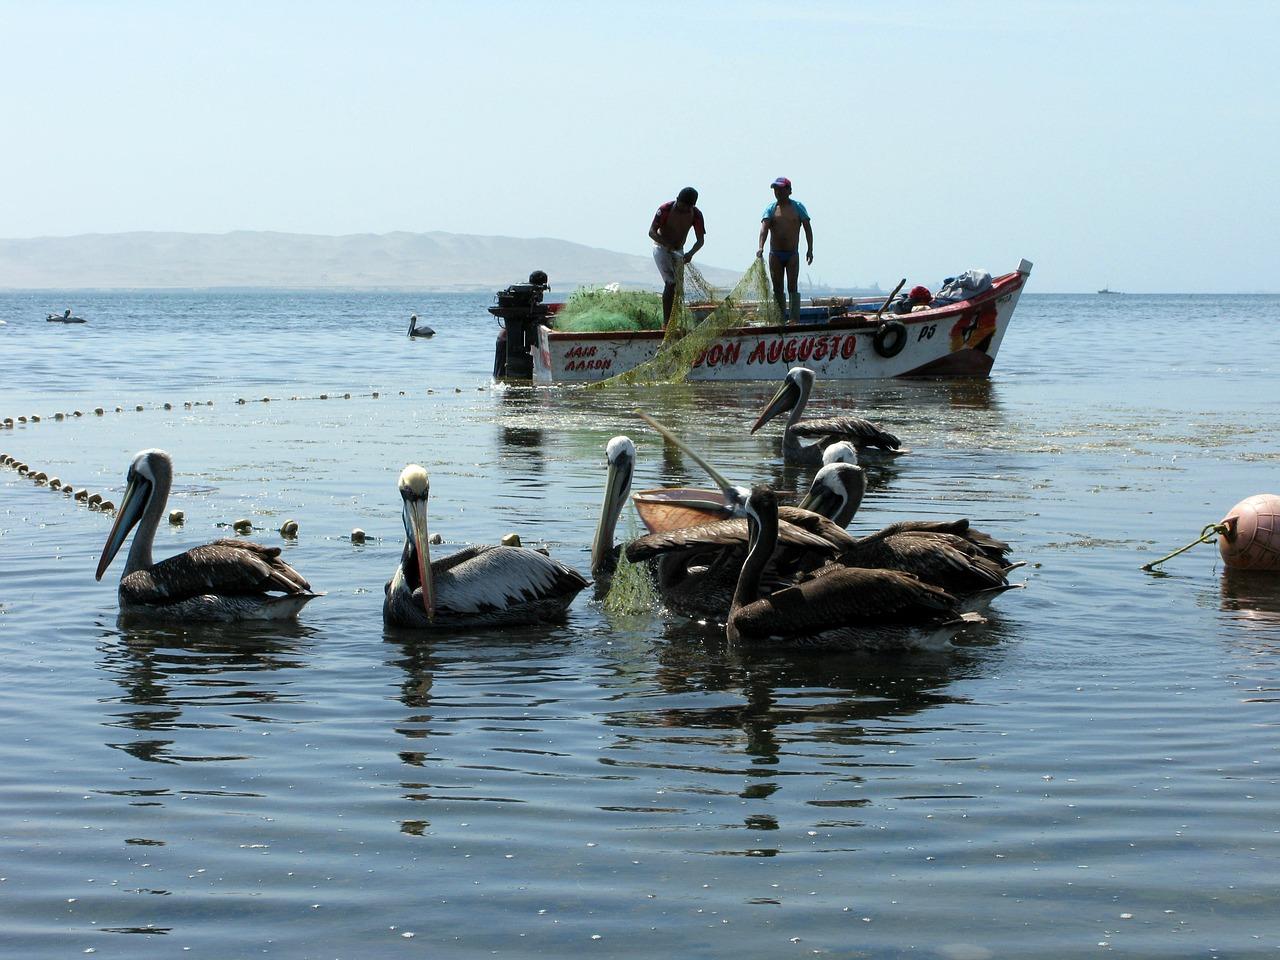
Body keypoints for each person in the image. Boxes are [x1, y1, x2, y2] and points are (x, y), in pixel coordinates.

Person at [756, 177, 813, 324]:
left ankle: (794, 318)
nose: (778, 192)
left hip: (792, 253)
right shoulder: (771, 208)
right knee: (778, 288)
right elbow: (764, 229)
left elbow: (807, 228)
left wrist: (810, 249)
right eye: (776, 189)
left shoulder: (798, 207)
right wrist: (760, 247)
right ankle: (779, 319)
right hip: (775, 254)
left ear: (789, 190)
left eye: (781, 189)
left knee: (792, 286)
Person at [648, 187, 706, 326]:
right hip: (661, 248)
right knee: (671, 282)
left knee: (679, 289)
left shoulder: (696, 215)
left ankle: (675, 322)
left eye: (687, 206)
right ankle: (666, 323)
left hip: (679, 250)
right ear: (677, 199)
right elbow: (651, 232)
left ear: (692, 206)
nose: (683, 208)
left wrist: (690, 253)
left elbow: (700, 241)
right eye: (681, 204)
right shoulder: (665, 209)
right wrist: (665, 243)